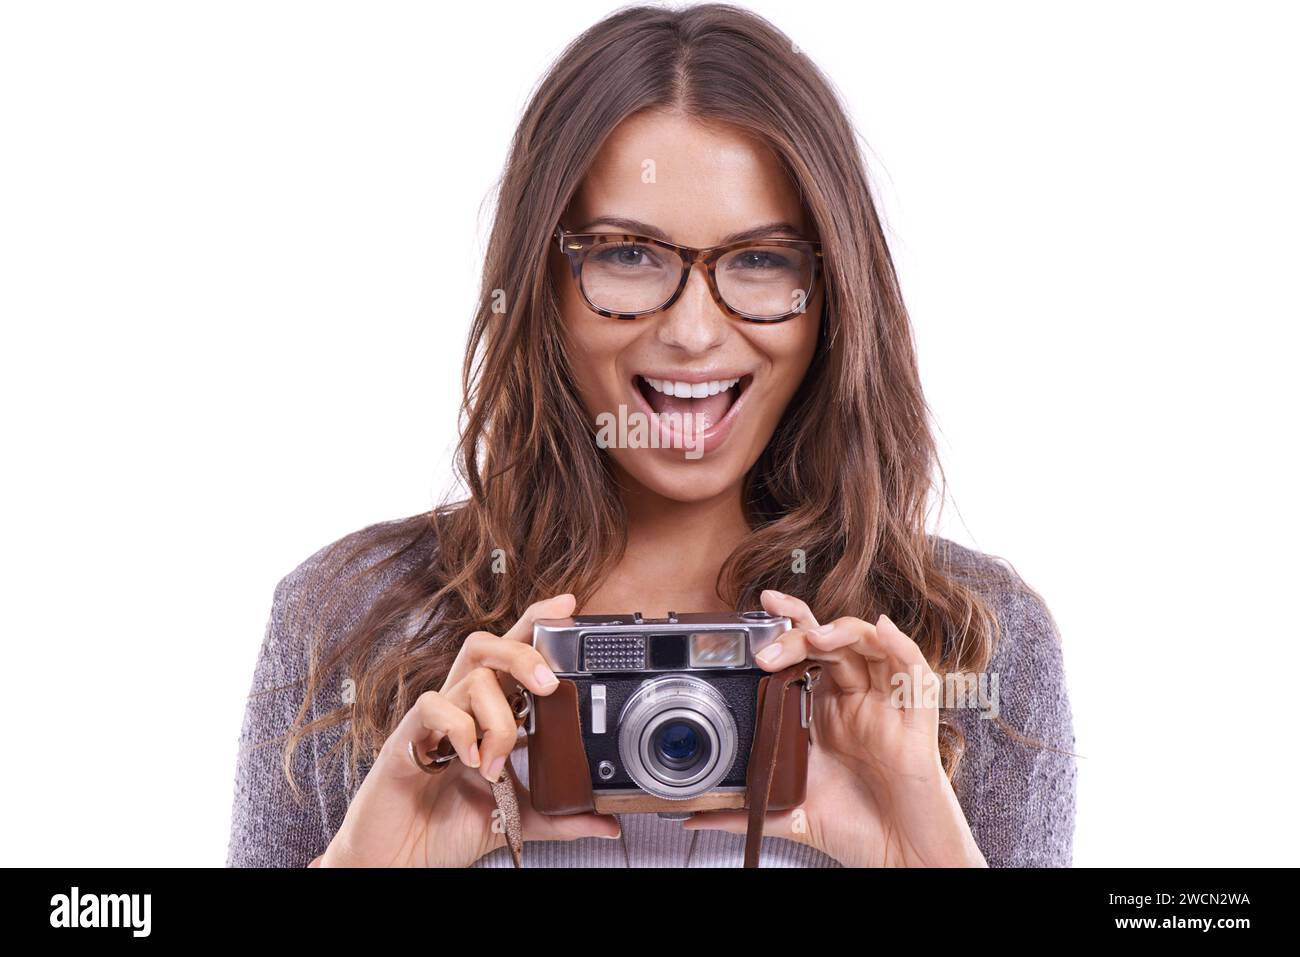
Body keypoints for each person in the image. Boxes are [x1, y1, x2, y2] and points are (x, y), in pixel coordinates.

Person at [227, 3, 1076, 868]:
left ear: (831, 296)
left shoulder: (972, 643)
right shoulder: (353, 624)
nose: (695, 332)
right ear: (542, 281)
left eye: (760, 259)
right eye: (629, 254)